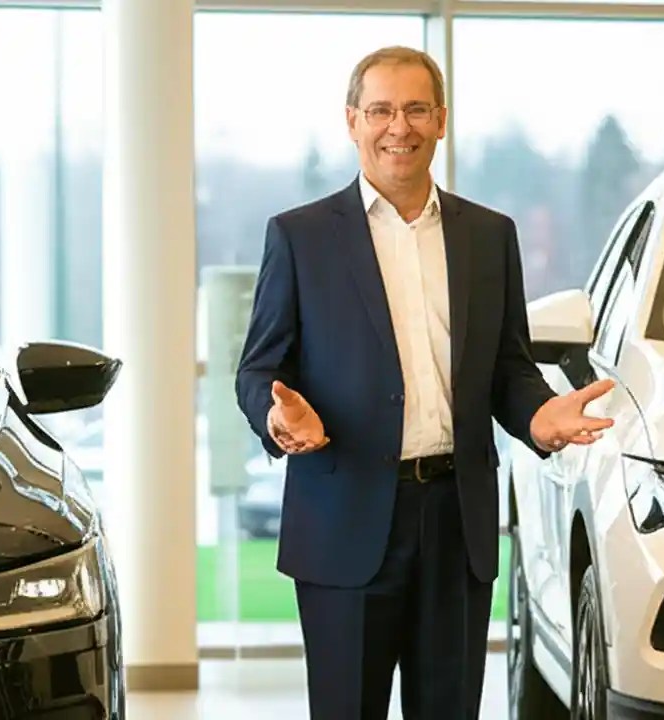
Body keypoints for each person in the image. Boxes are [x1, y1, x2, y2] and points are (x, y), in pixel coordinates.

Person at [234, 45, 615, 719]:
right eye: (380, 110)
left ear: (441, 120)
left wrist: (536, 417)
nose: (397, 127)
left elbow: (507, 368)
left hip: (454, 522)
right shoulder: (300, 237)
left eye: (414, 109)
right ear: (352, 121)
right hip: (344, 519)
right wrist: (278, 419)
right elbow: (261, 367)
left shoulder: (489, 237)